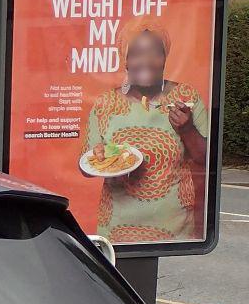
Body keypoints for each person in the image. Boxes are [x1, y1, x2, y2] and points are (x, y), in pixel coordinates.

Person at [84, 27, 208, 244]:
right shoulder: (105, 103)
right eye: (137, 53)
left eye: (155, 53)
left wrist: (187, 129)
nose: (146, 61)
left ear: (165, 57)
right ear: (126, 60)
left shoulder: (186, 97)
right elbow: (86, 167)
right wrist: (102, 158)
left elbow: (206, 158)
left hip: (175, 229)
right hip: (116, 229)